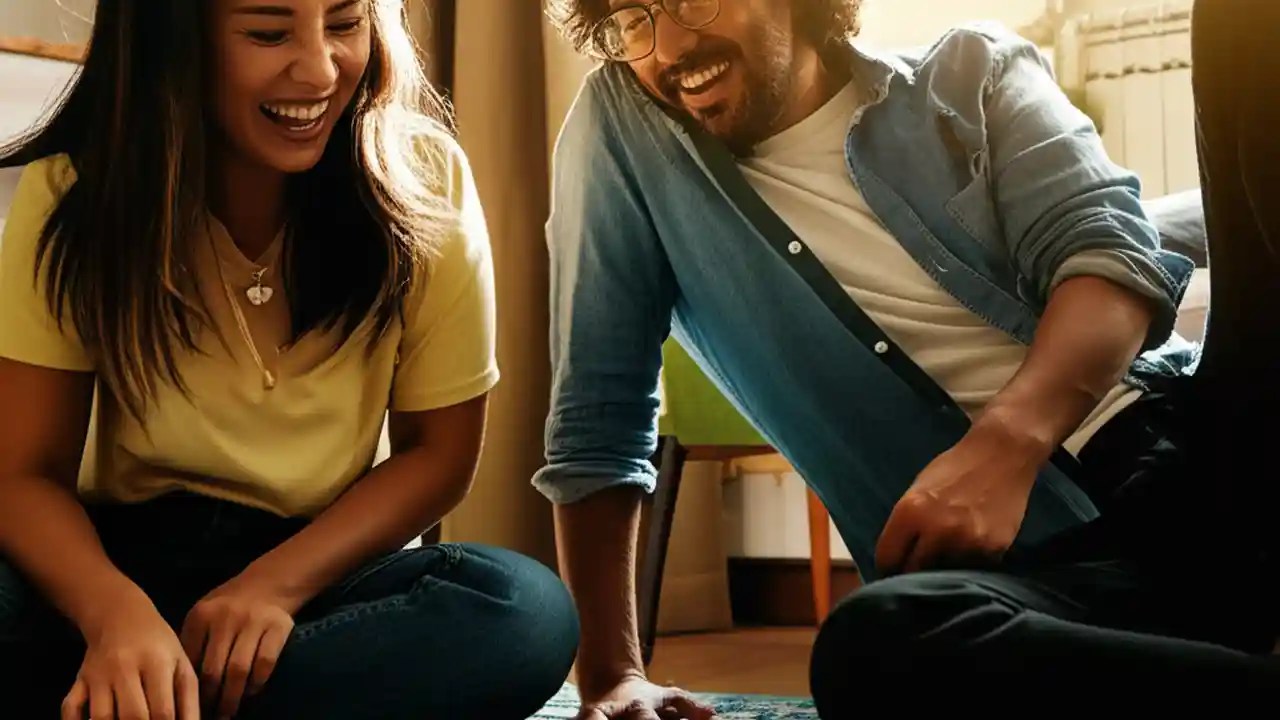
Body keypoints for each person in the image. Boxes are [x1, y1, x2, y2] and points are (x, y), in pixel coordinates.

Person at [538, 0, 1278, 715]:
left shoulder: (973, 71)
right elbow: (600, 408)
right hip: (1045, 579)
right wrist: (612, 675)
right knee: (875, 646)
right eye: (631, 17)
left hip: (1211, 449)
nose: (667, 48)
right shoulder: (629, 131)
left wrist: (1001, 451)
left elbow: (1111, 255)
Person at [0, 1, 578, 718]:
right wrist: (115, 619)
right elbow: (22, 476)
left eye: (345, 24)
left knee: (524, 612)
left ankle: (142, 704)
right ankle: (145, 683)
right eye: (268, 34)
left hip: (315, 580)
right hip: (112, 571)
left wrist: (271, 589)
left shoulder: (425, 178)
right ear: (173, 44)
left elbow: (442, 454)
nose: (319, 68)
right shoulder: (76, 192)